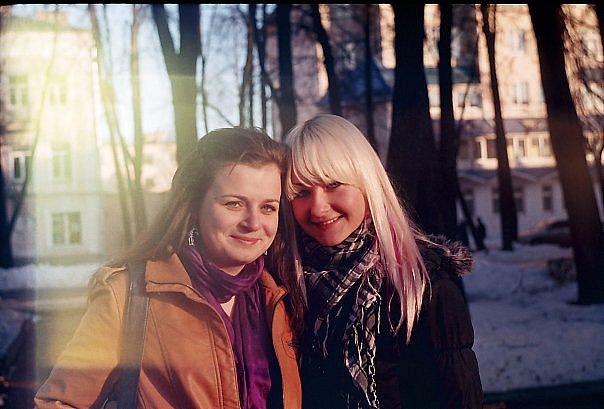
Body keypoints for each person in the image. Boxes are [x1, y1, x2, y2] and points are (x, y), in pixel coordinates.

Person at [34, 127, 305, 409]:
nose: (253, 223)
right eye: (233, 204)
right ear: (194, 206)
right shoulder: (129, 294)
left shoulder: (281, 297)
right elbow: (58, 402)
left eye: (268, 207)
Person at [284, 114, 483, 409]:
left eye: (334, 184)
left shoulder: (422, 286)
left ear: (367, 184)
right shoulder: (284, 286)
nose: (318, 208)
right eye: (301, 192)